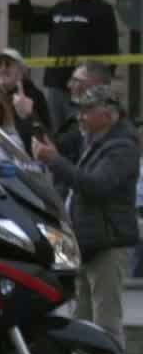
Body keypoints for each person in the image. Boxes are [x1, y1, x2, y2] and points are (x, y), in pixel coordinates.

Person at [33, 85, 137, 340]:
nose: (80, 117)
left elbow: (95, 186)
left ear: (109, 114)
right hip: (85, 243)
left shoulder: (122, 147)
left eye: (87, 110)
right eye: (79, 111)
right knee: (81, 324)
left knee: (105, 325)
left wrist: (54, 160)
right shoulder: (95, 142)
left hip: (107, 243)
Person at [12, 0, 120, 120]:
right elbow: (30, 26)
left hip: (84, 88)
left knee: (82, 131)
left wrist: (99, 87)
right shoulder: (61, 8)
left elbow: (111, 52)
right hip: (56, 86)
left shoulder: (102, 9)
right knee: (57, 133)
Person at [0, 48, 52, 141]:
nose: (3, 69)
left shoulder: (33, 95)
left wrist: (28, 115)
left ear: (21, 72)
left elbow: (45, 134)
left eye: (8, 64)